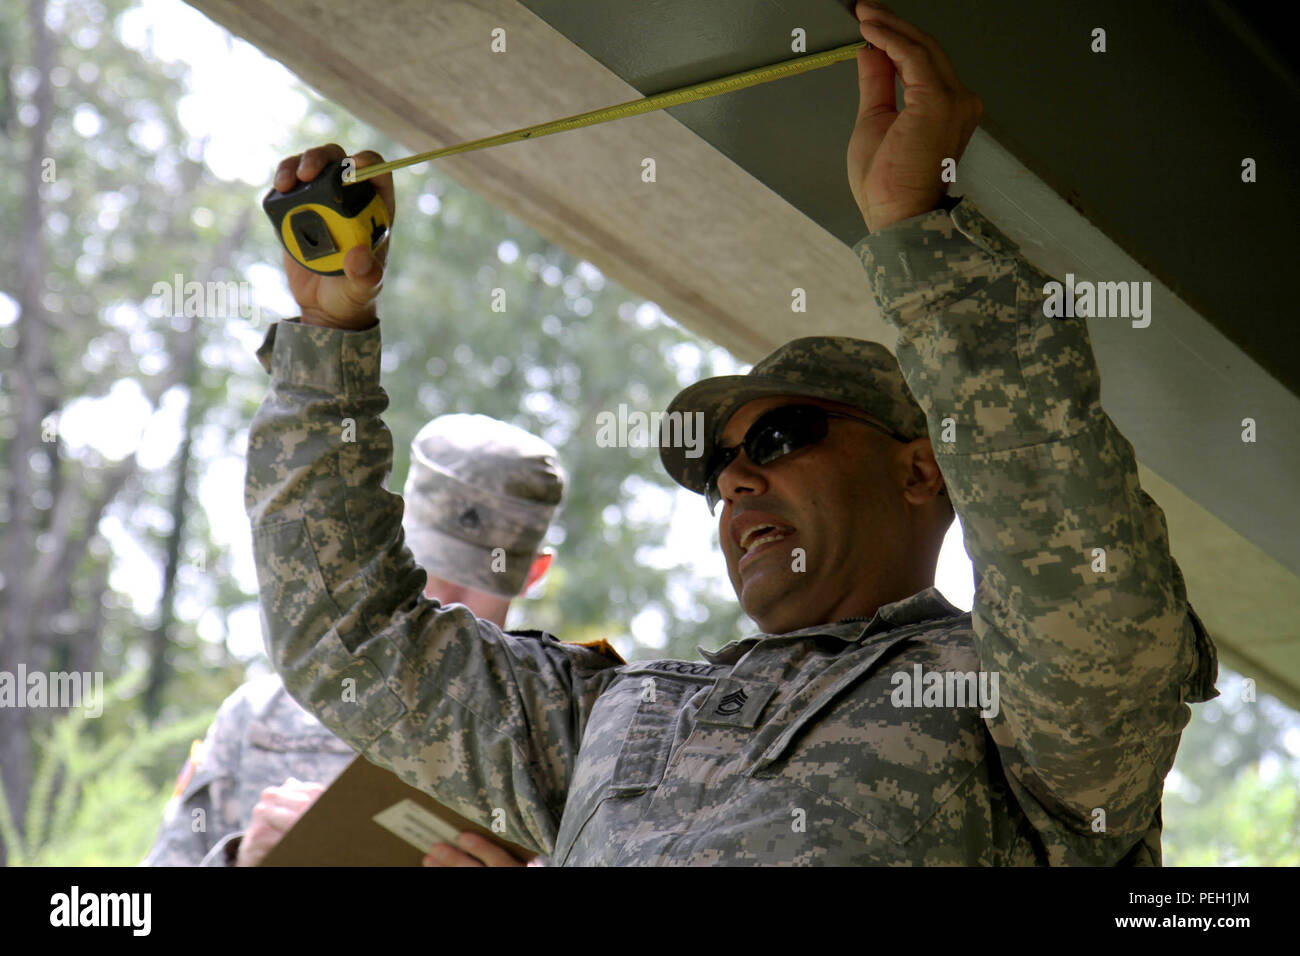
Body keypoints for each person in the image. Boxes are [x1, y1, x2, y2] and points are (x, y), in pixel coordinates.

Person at [243, 2, 1218, 865]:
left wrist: (916, 230)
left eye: (783, 435)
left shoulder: (1010, 693)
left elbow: (1076, 561)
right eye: (717, 470)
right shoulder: (615, 714)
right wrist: (327, 336)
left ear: (922, 467)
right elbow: (350, 638)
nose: (737, 480)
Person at [143, 413, 565, 867]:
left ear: (533, 574)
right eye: (429, 568)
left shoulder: (568, 752)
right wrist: (241, 861)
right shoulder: (263, 722)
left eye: (474, 580)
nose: (444, 599)